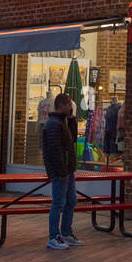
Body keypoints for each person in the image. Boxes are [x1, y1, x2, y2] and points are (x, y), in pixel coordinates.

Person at [42, 92, 81, 250]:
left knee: (71, 201)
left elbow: (72, 140)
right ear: (60, 105)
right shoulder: (53, 124)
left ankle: (66, 232)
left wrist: (72, 119)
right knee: (58, 203)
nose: (70, 106)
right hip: (61, 172)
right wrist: (61, 171)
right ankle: (53, 236)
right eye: (68, 104)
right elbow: (54, 151)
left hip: (68, 169)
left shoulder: (63, 122)